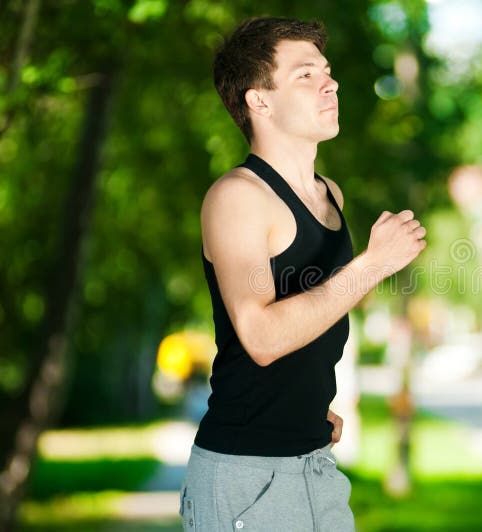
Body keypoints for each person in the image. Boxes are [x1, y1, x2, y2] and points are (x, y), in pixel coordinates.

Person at [178, 16, 427, 532]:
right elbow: (262, 337)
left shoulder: (329, 193)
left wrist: (306, 405)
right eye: (305, 75)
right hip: (247, 475)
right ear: (259, 101)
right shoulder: (238, 198)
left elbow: (311, 322)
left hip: (314, 462)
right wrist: (374, 263)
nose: (330, 83)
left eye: (327, 72)